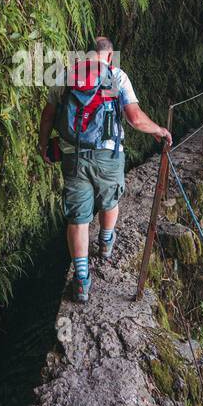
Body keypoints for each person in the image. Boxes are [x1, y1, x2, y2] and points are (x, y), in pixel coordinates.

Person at [38, 37, 172, 302]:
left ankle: (82, 281)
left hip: (72, 156)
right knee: (110, 201)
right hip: (109, 155)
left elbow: (48, 114)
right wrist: (159, 130)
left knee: (78, 217)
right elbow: (134, 118)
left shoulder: (66, 74)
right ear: (110, 56)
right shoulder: (117, 77)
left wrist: (43, 145)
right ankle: (106, 244)